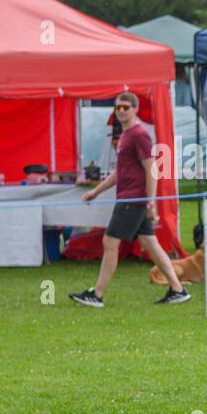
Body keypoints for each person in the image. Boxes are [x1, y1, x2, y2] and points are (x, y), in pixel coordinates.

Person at [71, 92, 192, 308]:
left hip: (133, 199)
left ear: (135, 109)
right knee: (150, 243)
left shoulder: (139, 134)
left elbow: (151, 169)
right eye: (118, 108)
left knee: (110, 242)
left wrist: (150, 202)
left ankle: (97, 295)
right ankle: (177, 289)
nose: (121, 111)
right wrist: (95, 191)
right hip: (129, 197)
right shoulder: (126, 135)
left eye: (126, 107)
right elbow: (120, 172)